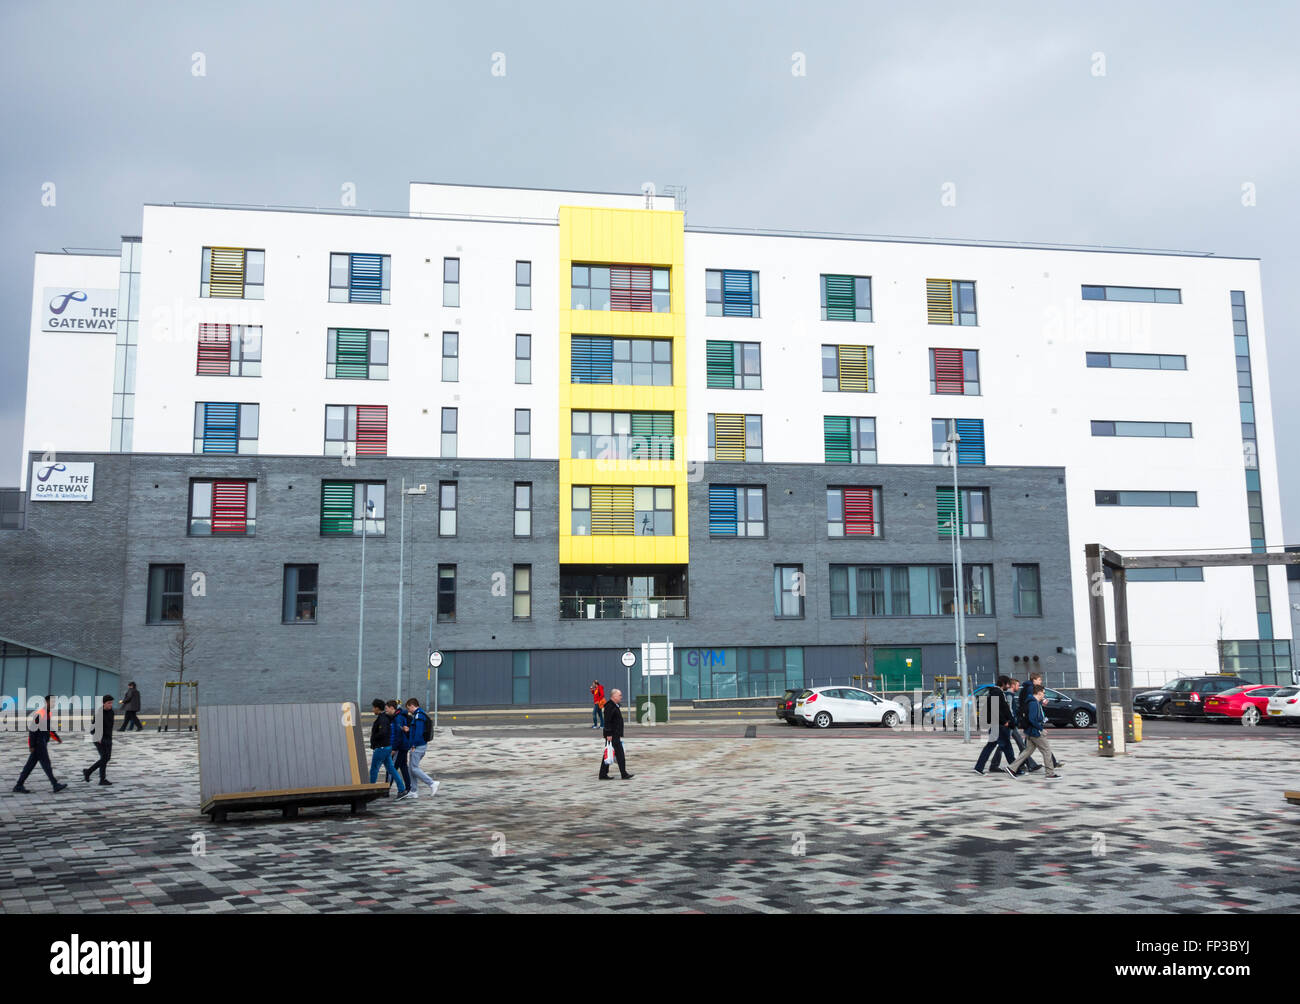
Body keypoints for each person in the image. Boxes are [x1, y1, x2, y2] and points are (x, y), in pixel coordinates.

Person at [13, 696, 68, 794]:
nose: (54, 703)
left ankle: (18, 785)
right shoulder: (40, 714)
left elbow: (49, 728)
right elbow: (32, 730)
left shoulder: (47, 713)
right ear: (47, 702)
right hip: (39, 744)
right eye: (53, 701)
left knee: (29, 766)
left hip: (41, 743)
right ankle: (55, 784)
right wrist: (31, 745)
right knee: (46, 764)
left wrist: (57, 737)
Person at [1004, 685, 1060, 780]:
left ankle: (1012, 768)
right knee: (1046, 751)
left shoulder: (1032, 701)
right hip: (1035, 732)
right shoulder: (1034, 703)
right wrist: (1041, 729)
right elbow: (1032, 719)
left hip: (1029, 731)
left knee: (1027, 751)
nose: (1044, 694)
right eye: (1043, 692)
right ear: (1039, 693)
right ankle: (1050, 773)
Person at [995, 678, 1040, 774]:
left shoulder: (1009, 695)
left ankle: (1028, 764)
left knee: (1018, 744)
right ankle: (1022, 765)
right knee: (1004, 745)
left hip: (1011, 724)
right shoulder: (1009, 696)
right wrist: (1011, 721)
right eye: (1017, 685)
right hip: (1010, 724)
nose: (1018, 687)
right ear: (1012, 685)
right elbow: (1009, 710)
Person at [1018, 670, 1061, 769]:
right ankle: (1050, 767)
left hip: (1027, 719)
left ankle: (1018, 765)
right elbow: (1032, 702)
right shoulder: (1030, 689)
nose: (1041, 681)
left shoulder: (1027, 687)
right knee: (1042, 747)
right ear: (1034, 680)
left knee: (1028, 748)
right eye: (1039, 679)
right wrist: (1042, 703)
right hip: (1031, 721)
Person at [973, 677, 1016, 775]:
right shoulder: (996, 692)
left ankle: (979, 767)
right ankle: (1015, 769)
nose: (1008, 687)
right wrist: (1004, 721)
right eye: (1008, 684)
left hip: (997, 724)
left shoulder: (997, 692)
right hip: (998, 725)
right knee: (1007, 747)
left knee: (991, 746)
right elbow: (995, 709)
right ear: (1003, 683)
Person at [368, 698, 407, 798]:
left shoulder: (382, 719)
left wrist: (374, 738)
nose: (373, 710)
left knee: (374, 769)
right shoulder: (384, 718)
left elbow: (383, 732)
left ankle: (370, 791)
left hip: (381, 748)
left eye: (373, 708)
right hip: (386, 747)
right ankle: (402, 789)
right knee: (391, 769)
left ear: (377, 708)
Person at [404, 698, 438, 799]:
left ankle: (431, 783)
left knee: (414, 768)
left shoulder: (419, 716)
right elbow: (416, 730)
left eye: (408, 708)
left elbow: (419, 732)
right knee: (411, 769)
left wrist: (414, 745)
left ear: (412, 705)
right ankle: (413, 791)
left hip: (418, 746)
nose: (408, 711)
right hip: (418, 745)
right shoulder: (418, 715)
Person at [598, 688, 633, 781]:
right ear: (614, 696)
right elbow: (607, 721)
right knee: (619, 754)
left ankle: (603, 774)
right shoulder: (610, 706)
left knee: (609, 753)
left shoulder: (615, 705)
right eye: (619, 695)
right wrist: (608, 734)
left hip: (614, 734)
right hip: (612, 735)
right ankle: (624, 774)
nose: (621, 697)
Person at [83, 694, 115, 785]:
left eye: (111, 703)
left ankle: (88, 772)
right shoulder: (99, 714)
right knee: (104, 757)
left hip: (108, 738)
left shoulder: (111, 712)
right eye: (109, 703)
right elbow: (92, 729)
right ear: (104, 703)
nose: (111, 705)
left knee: (107, 758)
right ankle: (102, 779)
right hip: (98, 739)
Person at [389, 700, 413, 797]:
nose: (386, 711)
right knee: (403, 766)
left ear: (392, 708)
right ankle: (408, 787)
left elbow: (398, 735)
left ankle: (388, 789)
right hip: (404, 745)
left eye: (387, 709)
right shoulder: (400, 716)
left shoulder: (397, 718)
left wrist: (394, 748)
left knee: (392, 767)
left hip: (400, 746)